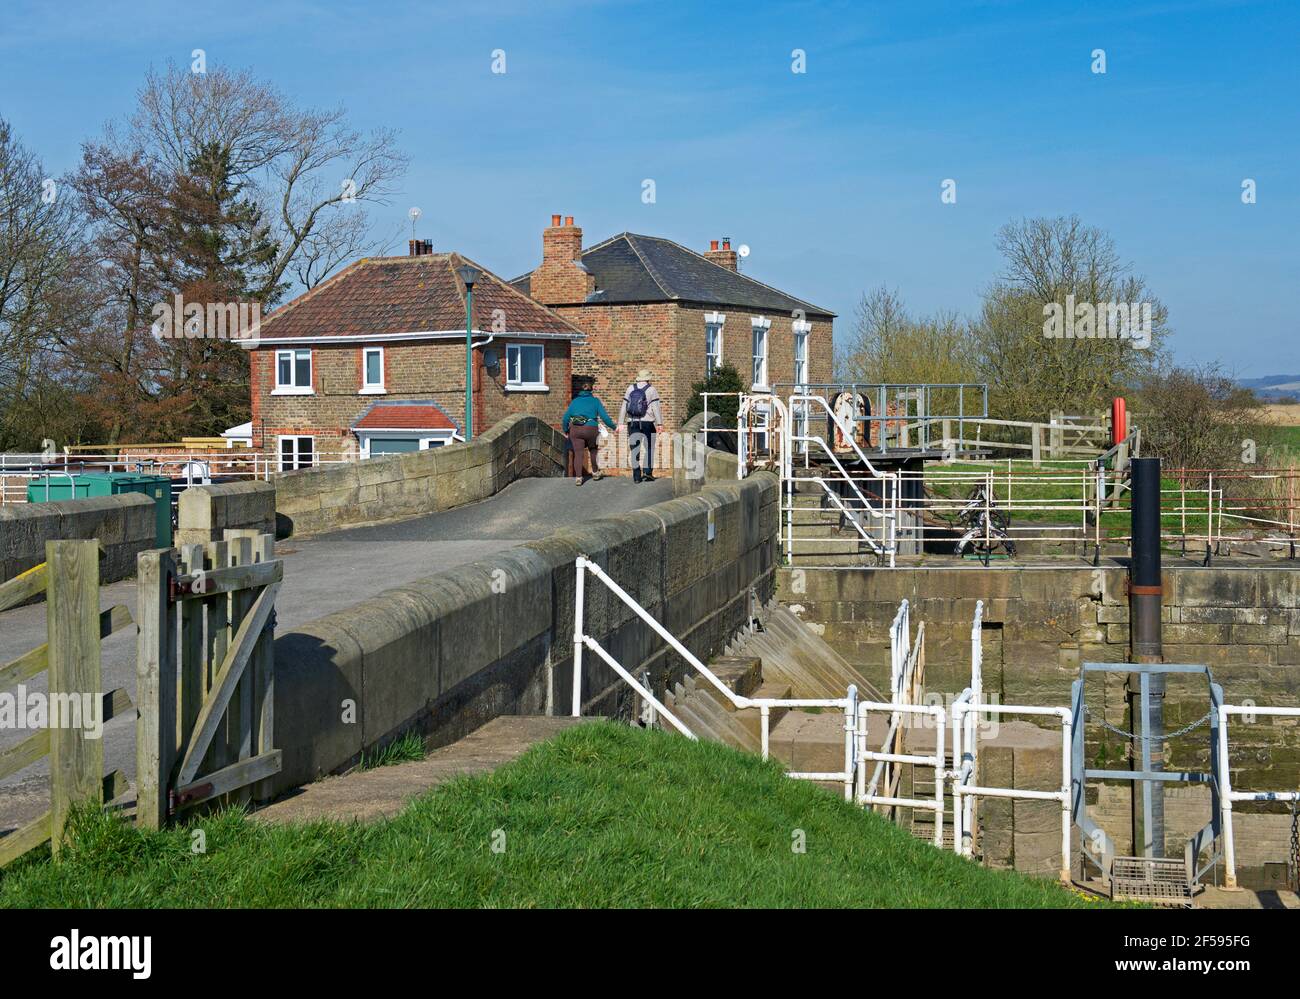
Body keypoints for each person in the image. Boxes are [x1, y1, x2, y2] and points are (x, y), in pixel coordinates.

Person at [562, 376, 617, 485]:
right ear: (591, 390)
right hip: (591, 429)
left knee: (578, 453)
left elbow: (565, 418)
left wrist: (566, 430)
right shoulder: (595, 401)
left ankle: (578, 478)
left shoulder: (574, 402)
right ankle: (595, 472)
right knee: (593, 450)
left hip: (576, 430)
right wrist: (614, 427)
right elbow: (605, 417)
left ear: (581, 391)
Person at [618, 368, 663, 483]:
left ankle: (636, 476)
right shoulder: (652, 390)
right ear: (648, 379)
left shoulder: (630, 388)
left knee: (634, 449)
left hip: (632, 422)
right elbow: (656, 408)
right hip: (647, 422)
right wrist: (659, 423)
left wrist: (620, 422)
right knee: (649, 448)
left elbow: (624, 406)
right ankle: (648, 473)